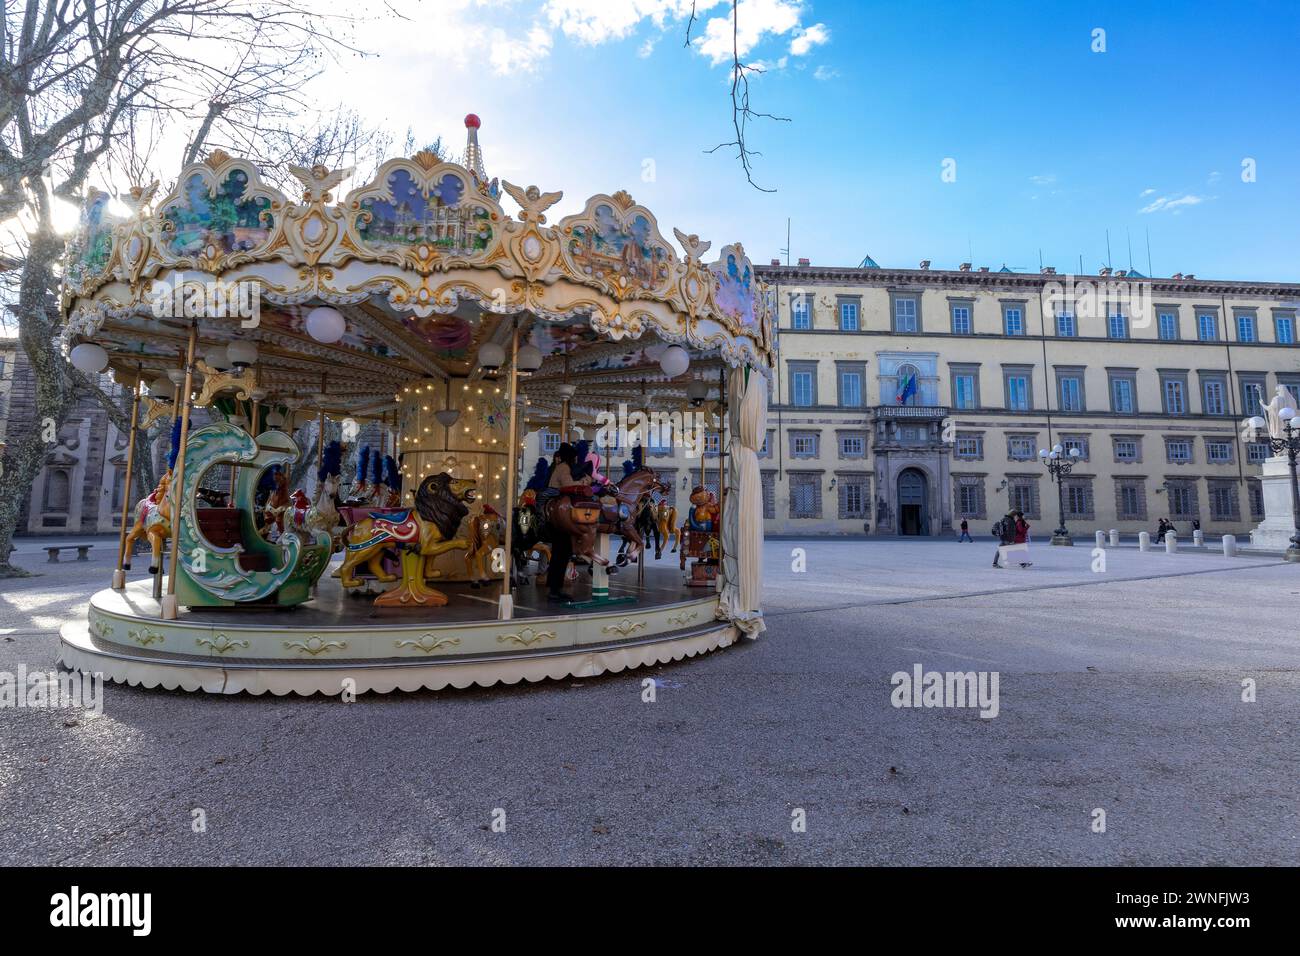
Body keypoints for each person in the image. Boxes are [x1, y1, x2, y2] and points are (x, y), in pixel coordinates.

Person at [544, 443, 591, 602]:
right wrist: (585, 481)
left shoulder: (562, 467)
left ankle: (555, 587)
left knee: (562, 552)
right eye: (574, 456)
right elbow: (568, 485)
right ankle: (554, 589)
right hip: (557, 511)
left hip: (556, 507)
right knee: (561, 551)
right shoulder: (564, 468)